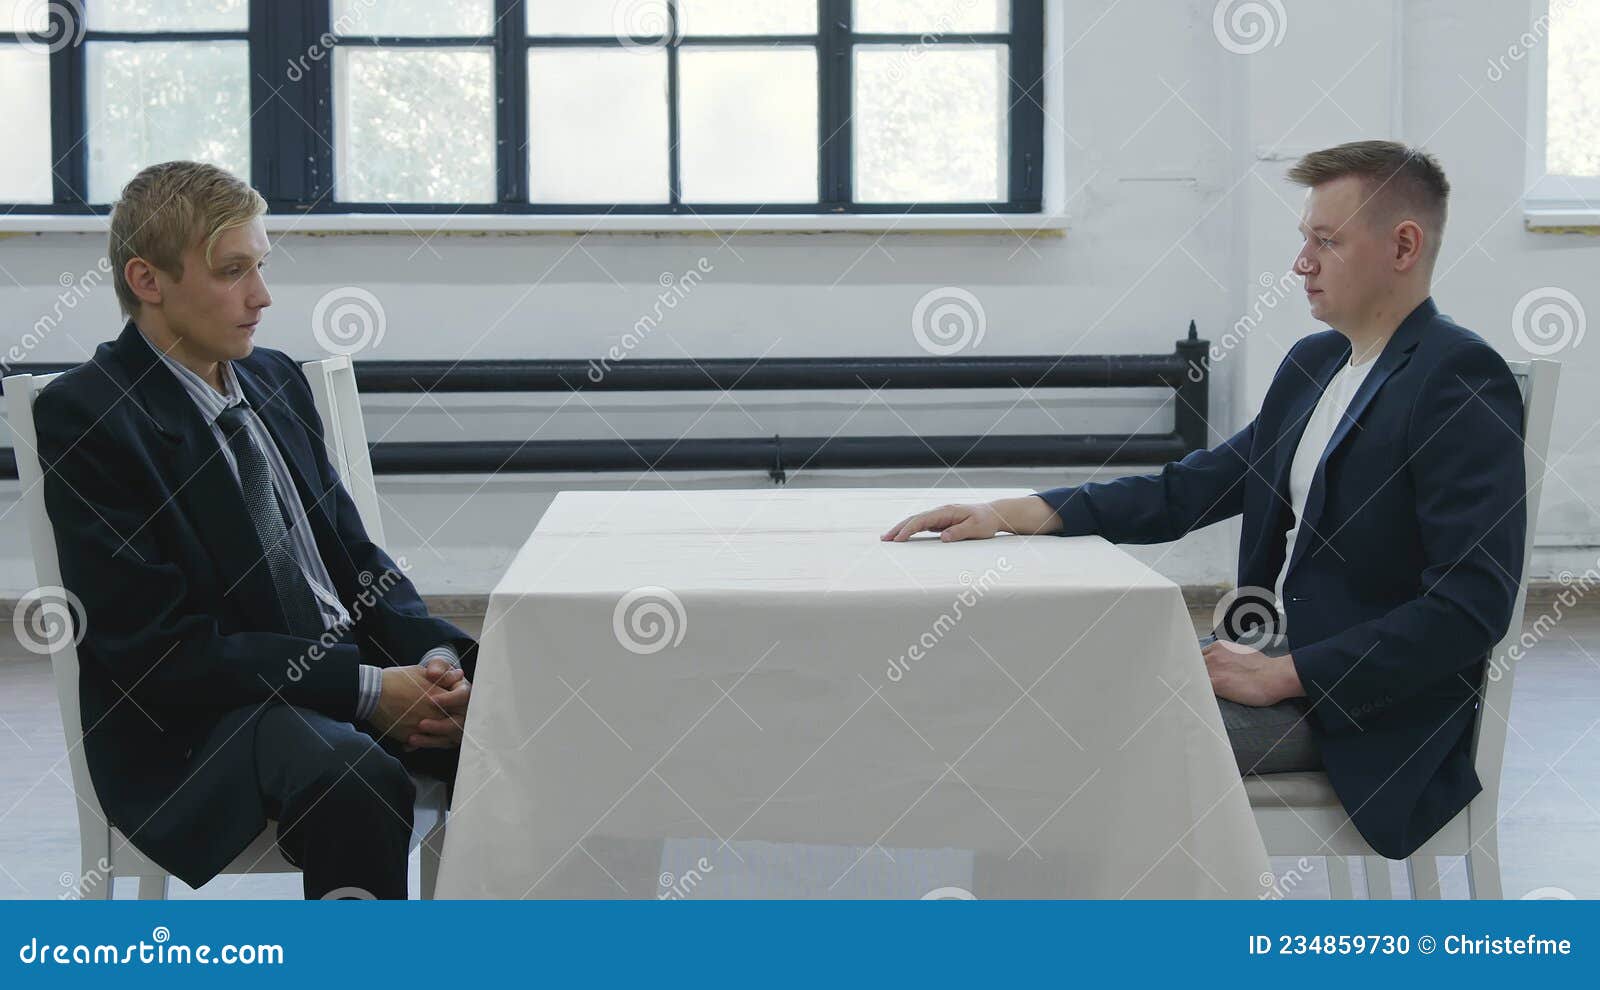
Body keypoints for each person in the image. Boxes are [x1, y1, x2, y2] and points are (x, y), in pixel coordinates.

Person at [881, 141, 1526, 861]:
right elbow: (1191, 489)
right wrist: (1012, 513)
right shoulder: (1316, 364)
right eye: (1304, 239)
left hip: (1368, 711)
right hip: (1278, 658)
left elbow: (1472, 606)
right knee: (1055, 699)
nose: (1301, 263)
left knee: (1082, 745)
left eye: (1326, 241)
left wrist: (1285, 674)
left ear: (1403, 246)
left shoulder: (1457, 378)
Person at [34, 161, 476, 899]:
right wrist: (368, 690)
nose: (262, 296)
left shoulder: (274, 379)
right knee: (353, 775)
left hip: (340, 669)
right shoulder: (91, 416)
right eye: (232, 271)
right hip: (210, 719)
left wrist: (434, 661)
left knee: (524, 711)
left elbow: (355, 558)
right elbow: (159, 652)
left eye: (261, 266)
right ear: (147, 280)